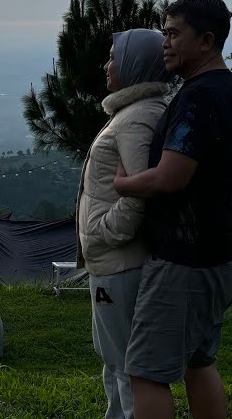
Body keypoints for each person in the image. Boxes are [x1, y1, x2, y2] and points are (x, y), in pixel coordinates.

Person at [113, 0, 232, 419]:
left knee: (147, 375)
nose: (164, 43)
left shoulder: (200, 97)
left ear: (206, 41)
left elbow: (171, 177)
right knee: (198, 361)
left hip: (185, 261)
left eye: (173, 34)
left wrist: (124, 184)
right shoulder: (221, 88)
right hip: (219, 253)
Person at [75, 28, 171, 419]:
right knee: (116, 358)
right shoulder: (133, 113)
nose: (106, 64)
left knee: (127, 363)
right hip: (114, 261)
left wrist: (103, 231)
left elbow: (141, 192)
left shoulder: (134, 120)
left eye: (113, 57)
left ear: (133, 64)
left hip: (120, 263)